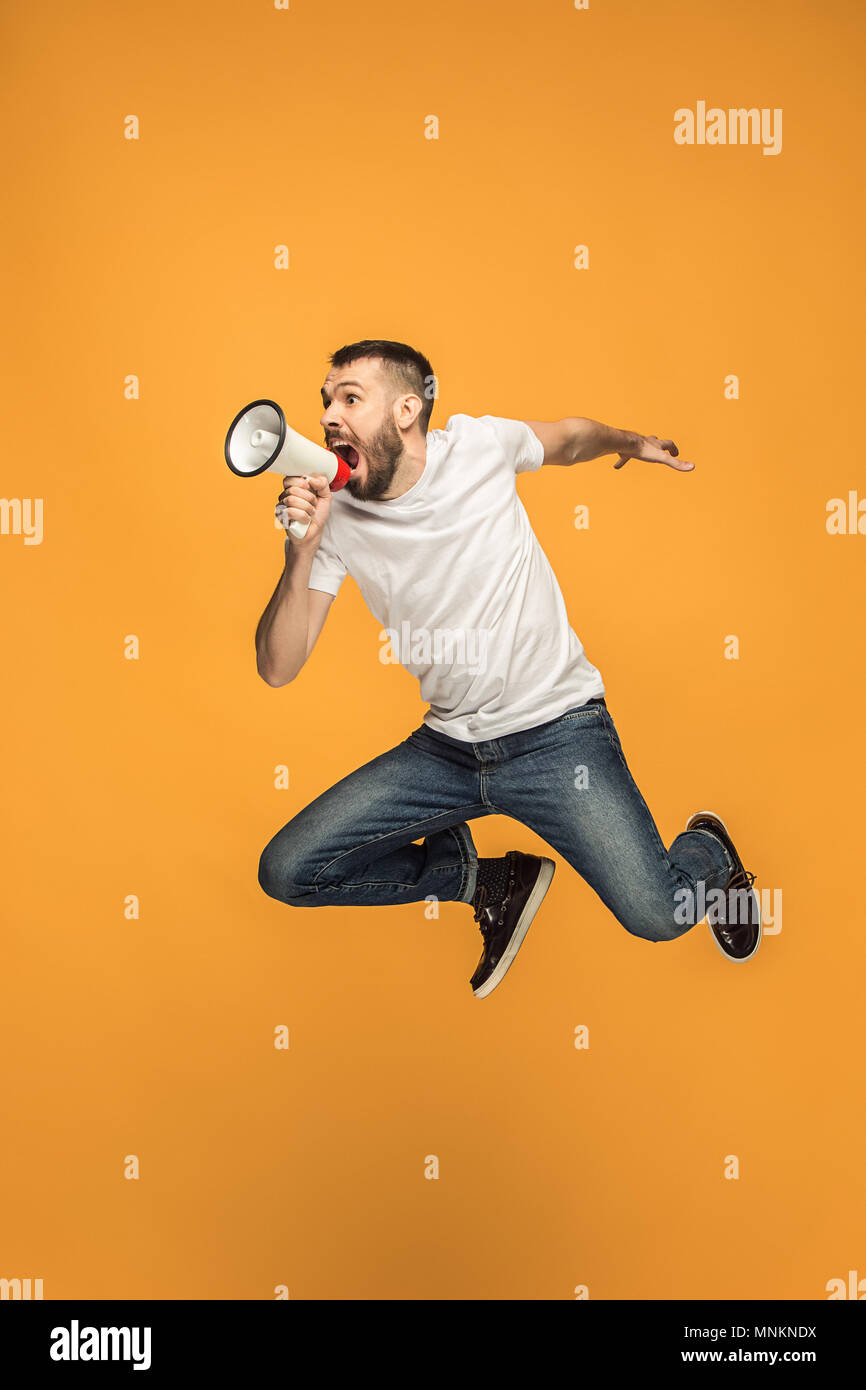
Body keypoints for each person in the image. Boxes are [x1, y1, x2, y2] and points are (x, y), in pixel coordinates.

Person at [254, 339, 760, 999]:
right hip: (446, 752)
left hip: (557, 737)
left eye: (350, 398)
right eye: (327, 400)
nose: (328, 415)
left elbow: (570, 438)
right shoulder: (335, 517)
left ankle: (712, 855)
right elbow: (277, 666)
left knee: (660, 915)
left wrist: (629, 443)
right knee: (288, 871)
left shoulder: (479, 448)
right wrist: (303, 548)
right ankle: (483, 881)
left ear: (407, 409)